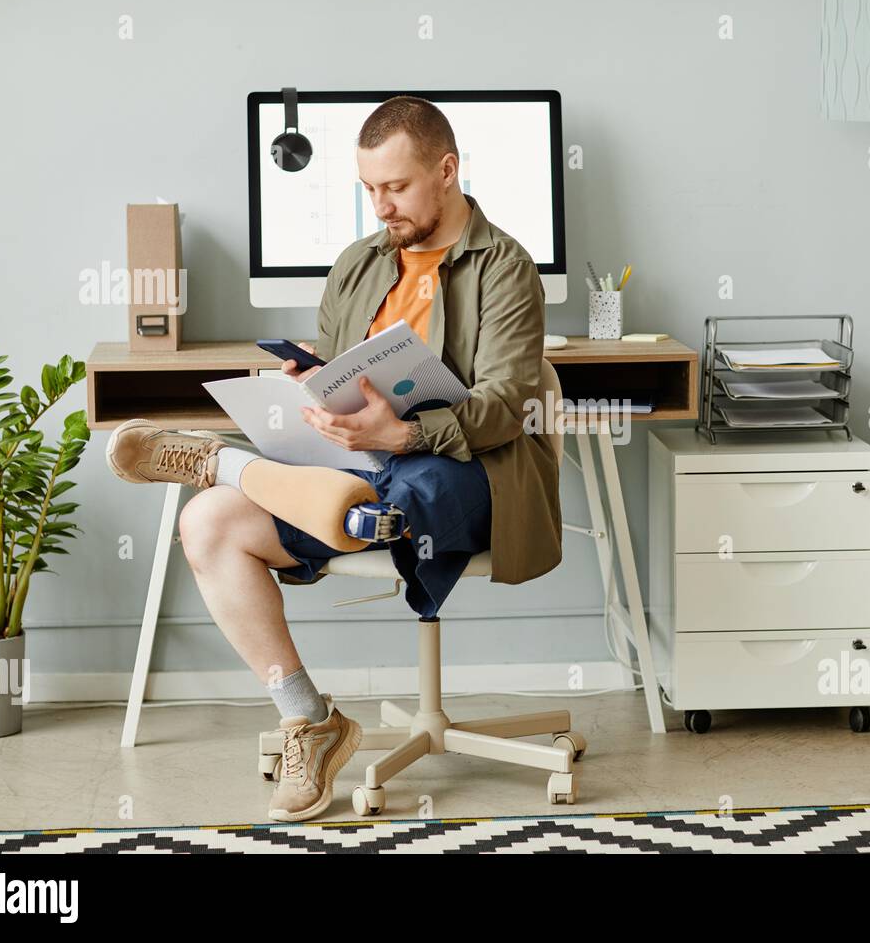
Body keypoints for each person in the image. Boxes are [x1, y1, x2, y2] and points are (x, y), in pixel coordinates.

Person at [104, 95, 562, 822]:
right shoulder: (358, 264)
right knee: (209, 525)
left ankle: (223, 460)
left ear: (446, 170)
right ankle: (309, 720)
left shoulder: (504, 268)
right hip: (352, 471)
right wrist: (317, 388)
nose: (380, 206)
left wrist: (404, 434)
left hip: (465, 472)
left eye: (397, 187)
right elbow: (349, 376)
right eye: (369, 189)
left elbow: (505, 409)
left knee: (400, 490)